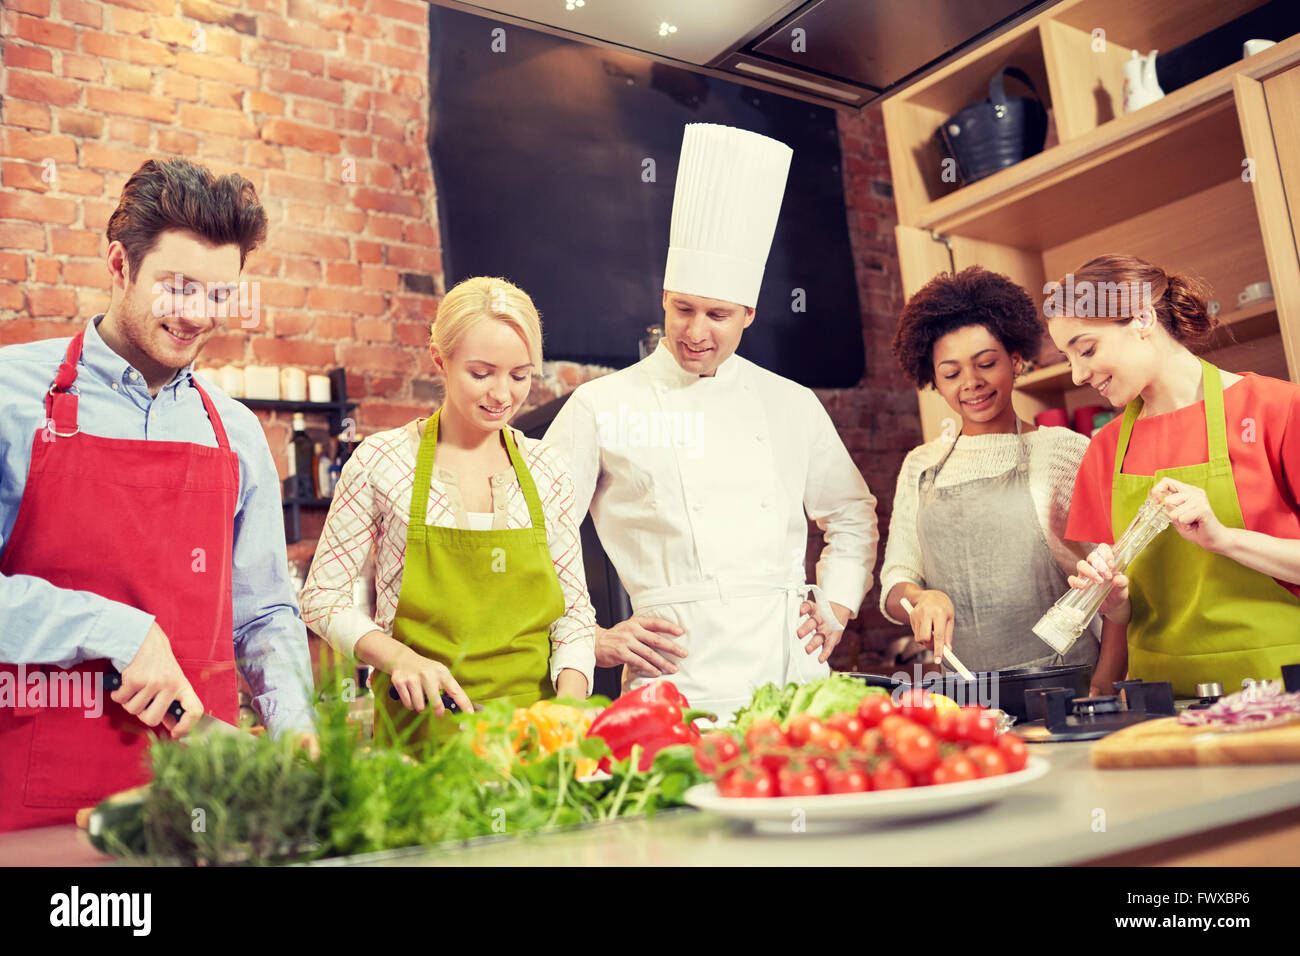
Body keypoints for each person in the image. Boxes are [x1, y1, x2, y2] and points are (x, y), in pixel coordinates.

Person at [0, 158, 315, 832]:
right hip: (36, 806)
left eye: (219, 295)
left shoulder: (235, 432)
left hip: (204, 802)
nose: (198, 315)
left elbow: (264, 616)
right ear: (120, 265)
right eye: (178, 288)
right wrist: (111, 630)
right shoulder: (10, 398)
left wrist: (297, 730)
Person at [544, 123, 879, 723]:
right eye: (683, 309)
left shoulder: (790, 403)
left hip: (791, 677)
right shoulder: (602, 405)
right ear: (663, 299)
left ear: (749, 313)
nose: (696, 332)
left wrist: (837, 603)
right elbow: (539, 535)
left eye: (717, 314)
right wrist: (588, 636)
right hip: (675, 680)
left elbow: (851, 513)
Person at [299, 276, 596, 746]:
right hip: (421, 734)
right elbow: (322, 598)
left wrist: (570, 706)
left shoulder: (548, 469)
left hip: (534, 738)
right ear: (440, 358)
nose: (503, 394)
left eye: (520, 376)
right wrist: (399, 659)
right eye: (481, 373)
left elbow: (574, 614)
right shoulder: (382, 461)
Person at [1046, 254, 1300, 695]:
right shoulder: (1104, 451)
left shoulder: (1278, 409)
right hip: (1160, 702)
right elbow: (1121, 622)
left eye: (1086, 349)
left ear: (1143, 317)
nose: (1079, 373)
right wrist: (1113, 613)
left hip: (1281, 692)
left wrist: (1223, 538)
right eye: (1068, 358)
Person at [881, 267, 1123, 695]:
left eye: (986, 364)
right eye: (951, 373)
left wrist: (1103, 686)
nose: (971, 384)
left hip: (1065, 683)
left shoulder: (1062, 450)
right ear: (933, 380)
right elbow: (896, 581)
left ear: (1015, 360)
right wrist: (921, 599)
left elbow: (1113, 586)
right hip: (964, 694)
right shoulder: (921, 465)